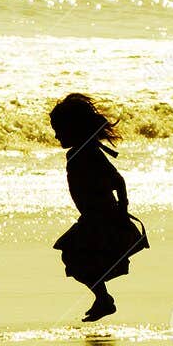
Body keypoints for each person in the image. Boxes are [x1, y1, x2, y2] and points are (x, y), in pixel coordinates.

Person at [49, 93, 148, 322]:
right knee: (76, 258)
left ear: (73, 129)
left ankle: (104, 299)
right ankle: (103, 299)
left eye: (59, 129)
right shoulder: (78, 152)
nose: (55, 135)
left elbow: (118, 180)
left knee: (75, 257)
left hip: (102, 217)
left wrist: (122, 210)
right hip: (92, 218)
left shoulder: (88, 152)